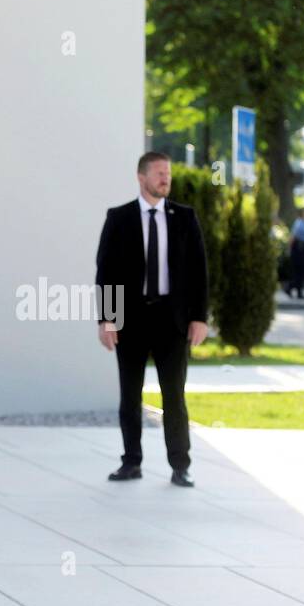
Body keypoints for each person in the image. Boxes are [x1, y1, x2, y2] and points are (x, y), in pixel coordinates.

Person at [95, 151, 208, 487]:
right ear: (141, 177)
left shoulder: (184, 218)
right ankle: (131, 462)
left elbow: (199, 272)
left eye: (168, 173)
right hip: (130, 320)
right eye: (159, 173)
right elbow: (107, 273)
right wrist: (107, 319)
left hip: (171, 322)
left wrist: (199, 317)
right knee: (130, 396)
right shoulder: (119, 218)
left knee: (175, 395)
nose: (165, 179)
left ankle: (180, 465)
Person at [286, 208, 304, 299]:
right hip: (299, 249)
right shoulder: (299, 223)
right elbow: (293, 236)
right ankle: (291, 288)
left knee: (303, 270)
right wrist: (289, 248)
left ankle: (296, 290)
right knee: (299, 270)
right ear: (302, 213)